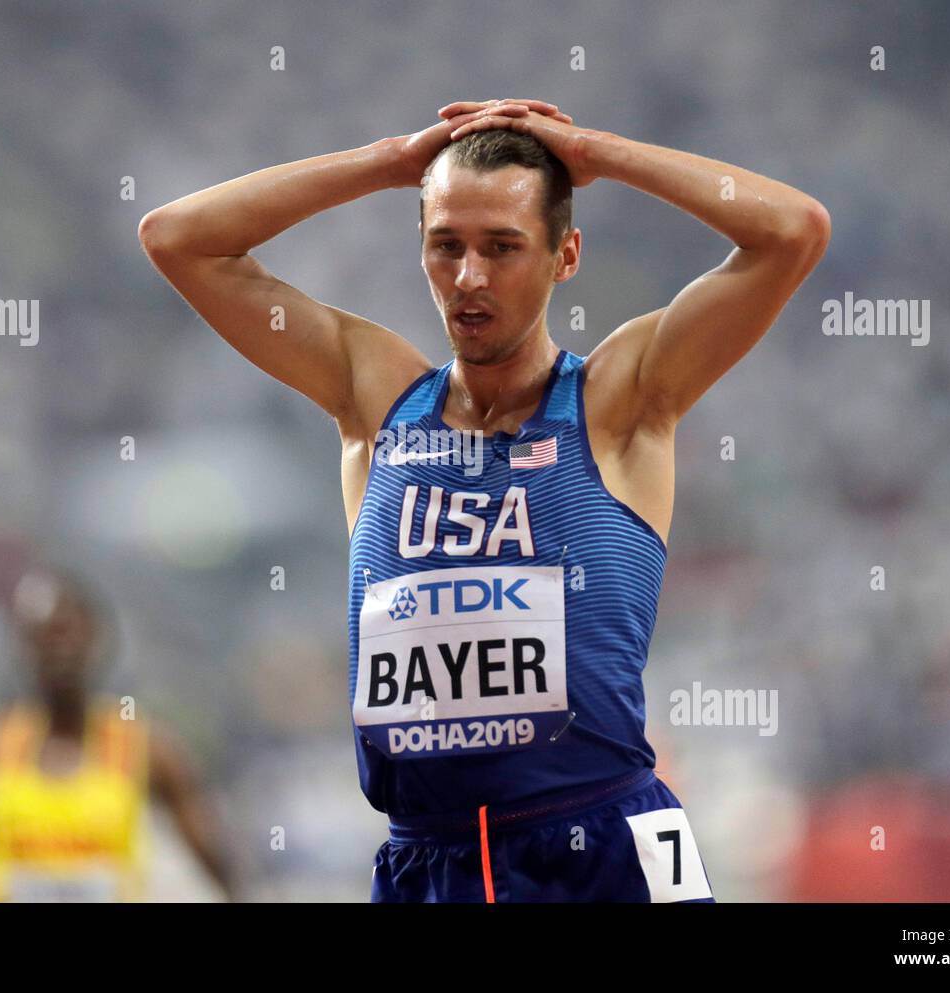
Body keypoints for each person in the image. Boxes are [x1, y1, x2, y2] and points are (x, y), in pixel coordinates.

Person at [138, 98, 829, 902]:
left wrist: (595, 154)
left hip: (601, 847)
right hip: (431, 863)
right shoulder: (375, 399)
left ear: (565, 254)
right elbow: (176, 238)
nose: (469, 276)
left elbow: (792, 230)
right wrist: (393, 161)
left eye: (502, 247)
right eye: (446, 246)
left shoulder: (617, 400)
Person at [0, 571, 238, 901]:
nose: (57, 649)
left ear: (95, 638)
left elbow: (218, 863)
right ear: (21, 646)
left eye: (67, 632)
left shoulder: (144, 746)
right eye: (42, 637)